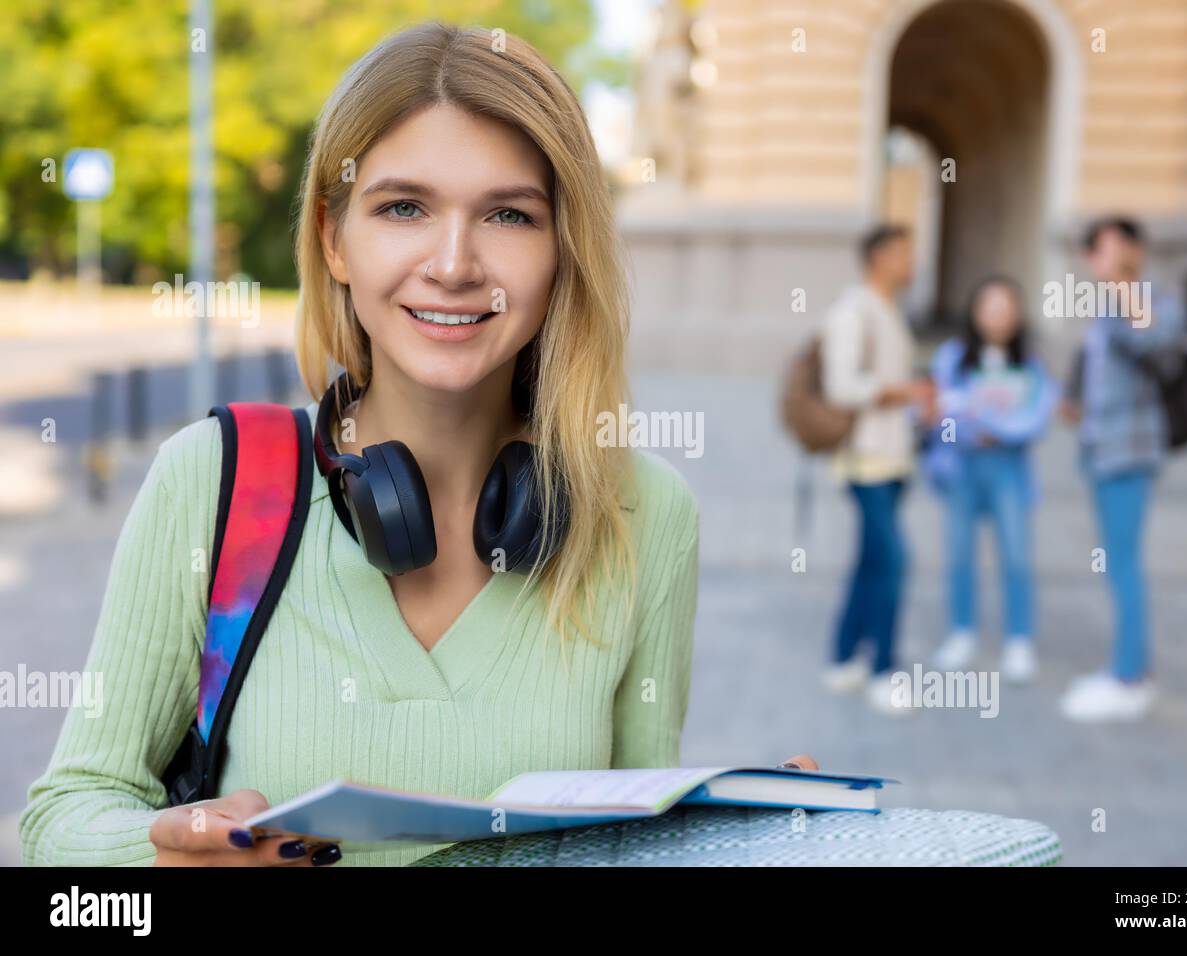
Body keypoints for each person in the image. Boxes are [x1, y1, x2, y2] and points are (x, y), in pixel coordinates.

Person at [19, 22, 822, 868]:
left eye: (509, 214)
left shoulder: (646, 515)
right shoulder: (212, 482)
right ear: (334, 237)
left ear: (562, 250)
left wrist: (751, 837)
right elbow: (65, 819)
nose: (453, 264)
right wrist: (168, 857)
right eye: (404, 207)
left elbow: (633, 851)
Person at [1058, 216, 1186, 722]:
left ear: (1136, 251)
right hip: (1101, 448)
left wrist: (1124, 283)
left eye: (1113, 250)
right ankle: (1132, 669)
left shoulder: (1155, 298)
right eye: (1096, 252)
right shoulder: (1106, 304)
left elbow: (1152, 343)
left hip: (1131, 450)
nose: (1103, 261)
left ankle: (1130, 677)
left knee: (1125, 564)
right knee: (1116, 562)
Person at [819, 225, 935, 717]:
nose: (912, 262)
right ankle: (885, 669)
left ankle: (844, 657)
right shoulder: (854, 309)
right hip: (864, 459)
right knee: (893, 561)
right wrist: (907, 391)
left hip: (893, 458)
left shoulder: (890, 310)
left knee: (870, 561)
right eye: (904, 254)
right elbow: (841, 386)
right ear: (880, 258)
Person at [925, 277, 1059, 683]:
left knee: (1016, 556)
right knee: (959, 553)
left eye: (1006, 308)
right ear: (975, 311)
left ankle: (1019, 639)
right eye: (990, 307)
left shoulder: (1031, 364)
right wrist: (974, 422)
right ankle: (961, 631)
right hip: (962, 469)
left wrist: (983, 421)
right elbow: (937, 414)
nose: (998, 316)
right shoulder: (952, 358)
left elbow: (1035, 419)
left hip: (1009, 472)